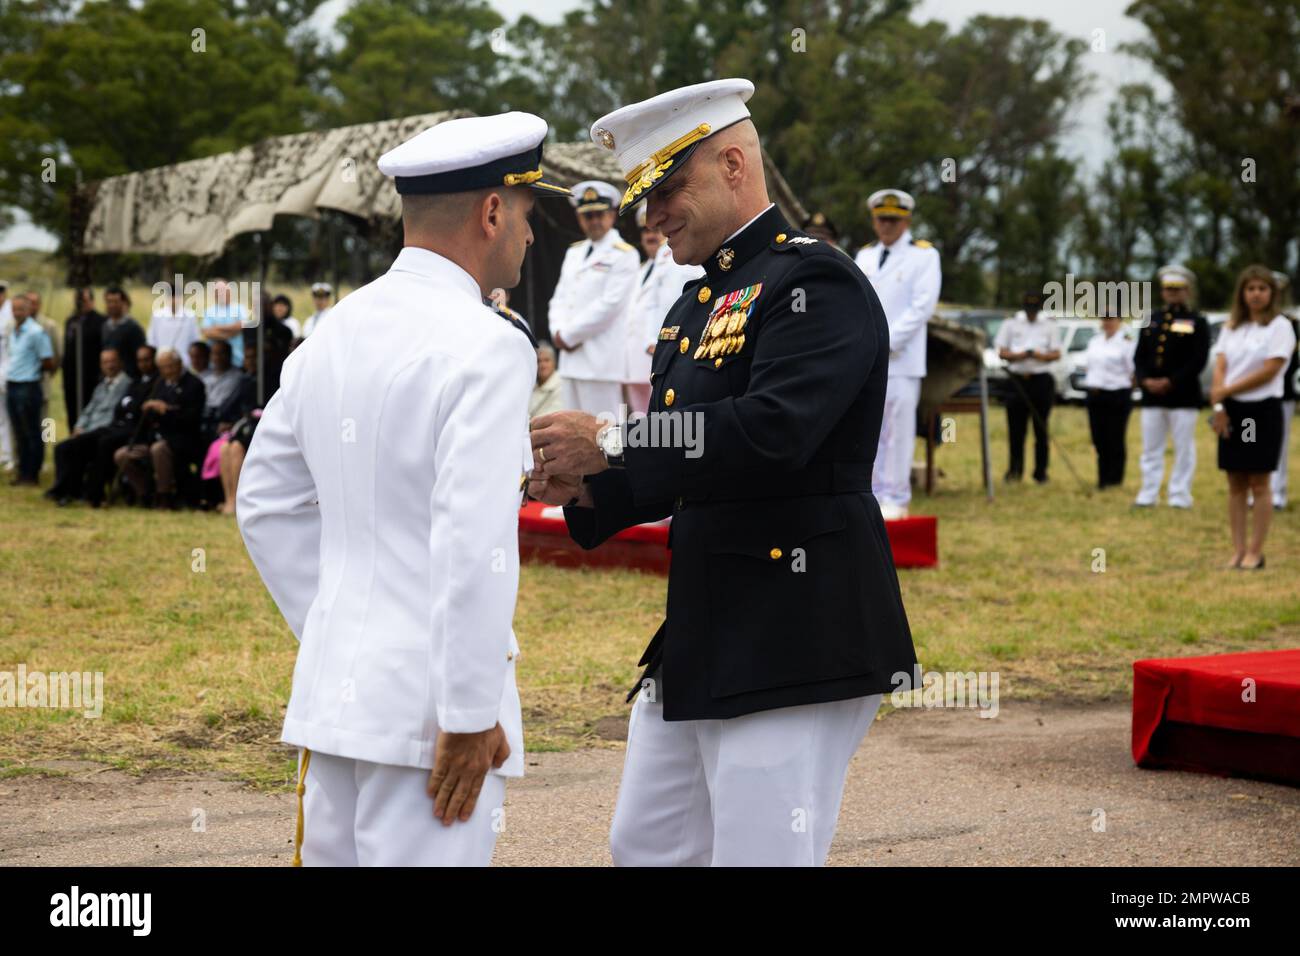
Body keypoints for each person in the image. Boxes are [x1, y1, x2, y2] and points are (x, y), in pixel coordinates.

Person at [531, 78, 916, 867]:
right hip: (709, 620)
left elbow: (772, 432)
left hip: (797, 625)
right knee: (647, 847)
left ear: (734, 163)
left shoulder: (816, 283)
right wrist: (585, 484)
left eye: (669, 188)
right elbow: (702, 459)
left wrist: (611, 437)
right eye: (645, 197)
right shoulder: (698, 301)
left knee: (760, 855)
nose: (653, 216)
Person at [237, 111, 570, 867]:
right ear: (491, 212)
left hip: (337, 695)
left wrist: (340, 623)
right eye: (524, 215)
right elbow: (472, 536)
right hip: (429, 718)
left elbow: (265, 503)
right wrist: (467, 708)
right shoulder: (487, 344)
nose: (528, 235)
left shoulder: (336, 331)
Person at [854, 189, 941, 519]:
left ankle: (896, 495)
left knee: (899, 431)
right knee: (870, 428)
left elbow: (922, 308)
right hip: (867, 360)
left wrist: (885, 340)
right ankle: (871, 493)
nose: (887, 226)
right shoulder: (864, 256)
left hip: (902, 359)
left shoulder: (924, 256)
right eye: (881, 219)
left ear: (906, 221)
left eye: (893, 220)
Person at [1209, 265, 1296, 569]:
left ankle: (1255, 551)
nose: (1256, 294)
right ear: (1242, 293)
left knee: (1258, 480)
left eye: (1262, 288)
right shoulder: (1232, 326)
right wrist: (1219, 405)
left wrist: (1227, 389)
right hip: (1233, 409)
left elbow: (1271, 369)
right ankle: (1238, 548)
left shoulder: (1280, 327)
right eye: (1250, 289)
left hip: (1257, 412)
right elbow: (1220, 365)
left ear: (1272, 293)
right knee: (1235, 480)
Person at [547, 180, 640, 416]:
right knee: (568, 432)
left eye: (600, 214)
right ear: (579, 218)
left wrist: (568, 335)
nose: (594, 221)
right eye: (588, 216)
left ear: (611, 215)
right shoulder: (574, 252)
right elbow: (559, 298)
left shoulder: (624, 255)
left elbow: (610, 306)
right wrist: (557, 330)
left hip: (601, 362)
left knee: (603, 436)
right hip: (569, 361)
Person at [1133, 264, 1210, 508]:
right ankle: (1148, 494)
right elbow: (1140, 355)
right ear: (1163, 291)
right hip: (1152, 395)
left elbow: (1198, 359)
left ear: (1187, 291)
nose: (1173, 293)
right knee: (1151, 447)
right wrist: (1145, 380)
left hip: (1182, 394)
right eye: (1168, 289)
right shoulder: (1151, 319)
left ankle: (1179, 495)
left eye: (1178, 289)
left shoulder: (1197, 320)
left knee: (1183, 447)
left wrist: (1171, 381)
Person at [622, 201, 705, 413]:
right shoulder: (645, 268)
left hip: (670, 350)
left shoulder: (685, 255)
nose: (650, 235)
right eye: (645, 231)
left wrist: (657, 340)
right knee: (640, 424)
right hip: (639, 358)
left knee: (665, 420)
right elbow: (648, 306)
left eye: (656, 230)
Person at [112, 348, 206, 509]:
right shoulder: (159, 384)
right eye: (163, 367)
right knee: (122, 455)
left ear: (180, 364)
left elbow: (191, 418)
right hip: (154, 436)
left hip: (182, 439)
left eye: (171, 366)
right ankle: (145, 493)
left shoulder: (194, 384)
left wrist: (166, 410)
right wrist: (148, 408)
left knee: (159, 449)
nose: (168, 371)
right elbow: (143, 412)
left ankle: (164, 496)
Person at [45, 348, 131, 505]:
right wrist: (79, 427)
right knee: (62, 448)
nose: (109, 365)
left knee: (74, 448)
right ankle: (64, 489)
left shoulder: (127, 385)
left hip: (105, 431)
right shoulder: (101, 386)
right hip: (88, 431)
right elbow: (88, 410)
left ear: (120, 362)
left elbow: (116, 414)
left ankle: (67, 491)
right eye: (105, 362)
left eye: (112, 361)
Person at [994, 291, 1062, 483]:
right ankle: (1015, 470)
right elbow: (1002, 352)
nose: (1031, 313)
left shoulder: (1050, 325)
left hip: (1041, 380)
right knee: (1016, 430)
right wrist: (1020, 355)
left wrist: (1039, 356)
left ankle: (1041, 472)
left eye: (1034, 310)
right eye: (1028, 310)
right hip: (1017, 380)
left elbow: (1056, 354)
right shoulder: (1011, 323)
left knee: (1041, 429)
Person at [84, 345, 159, 507]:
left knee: (104, 443)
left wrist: (131, 406)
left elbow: (136, 409)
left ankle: (95, 494)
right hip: (119, 425)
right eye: (140, 361)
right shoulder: (137, 381)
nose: (143, 364)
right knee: (86, 440)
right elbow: (121, 408)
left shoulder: (157, 382)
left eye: (147, 360)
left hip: (137, 432)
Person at [4, 293, 55, 485]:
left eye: (21, 309)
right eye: (14, 309)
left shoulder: (36, 332)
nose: (17, 312)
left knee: (32, 431)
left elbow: (48, 361)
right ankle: (22, 470)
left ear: (28, 310)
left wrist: (33, 370)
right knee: (18, 431)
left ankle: (32, 473)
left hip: (28, 385)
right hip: (13, 384)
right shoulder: (12, 330)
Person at [1083, 311, 1137, 488]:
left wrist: (1128, 392)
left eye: (1111, 319)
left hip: (1117, 394)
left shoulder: (1126, 342)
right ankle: (1102, 476)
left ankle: (1114, 478)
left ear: (1119, 321)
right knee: (1098, 437)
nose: (1107, 322)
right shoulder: (1095, 341)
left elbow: (1133, 372)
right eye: (1104, 319)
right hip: (1095, 394)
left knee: (1115, 437)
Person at [1268, 272, 1297, 510]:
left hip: (1281, 394)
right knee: (1251, 439)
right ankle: (1253, 491)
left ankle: (1277, 492)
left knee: (1279, 443)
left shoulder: (1290, 324)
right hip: (1249, 397)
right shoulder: (1248, 323)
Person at [62, 287, 105, 429]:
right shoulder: (71, 321)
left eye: (84, 300)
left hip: (91, 377)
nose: (80, 304)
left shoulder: (101, 321)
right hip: (72, 378)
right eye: (78, 300)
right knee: (73, 415)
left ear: (91, 301)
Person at [201, 279, 250, 368]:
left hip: (237, 359)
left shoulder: (239, 308)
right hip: (215, 362)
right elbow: (207, 332)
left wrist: (217, 328)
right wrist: (230, 334)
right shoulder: (209, 311)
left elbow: (242, 325)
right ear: (215, 294)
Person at [147, 288, 200, 367]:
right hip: (162, 360)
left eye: (177, 297)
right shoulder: (157, 315)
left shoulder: (190, 315)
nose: (174, 300)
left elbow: (195, 338)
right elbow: (151, 339)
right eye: (171, 297)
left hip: (184, 361)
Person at [101, 287, 146, 379]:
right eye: (109, 301)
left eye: (115, 301)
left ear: (124, 303)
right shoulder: (105, 326)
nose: (112, 305)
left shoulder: (133, 328)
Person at [531, 342, 563, 418]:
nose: (542, 365)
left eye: (547, 360)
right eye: (539, 361)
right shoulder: (530, 386)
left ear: (554, 363)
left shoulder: (562, 386)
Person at [0, 279, 13, 472]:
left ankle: (44, 454)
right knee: (3, 416)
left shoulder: (12, 314)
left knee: (46, 420)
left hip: (34, 378)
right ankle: (7, 452)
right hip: (5, 373)